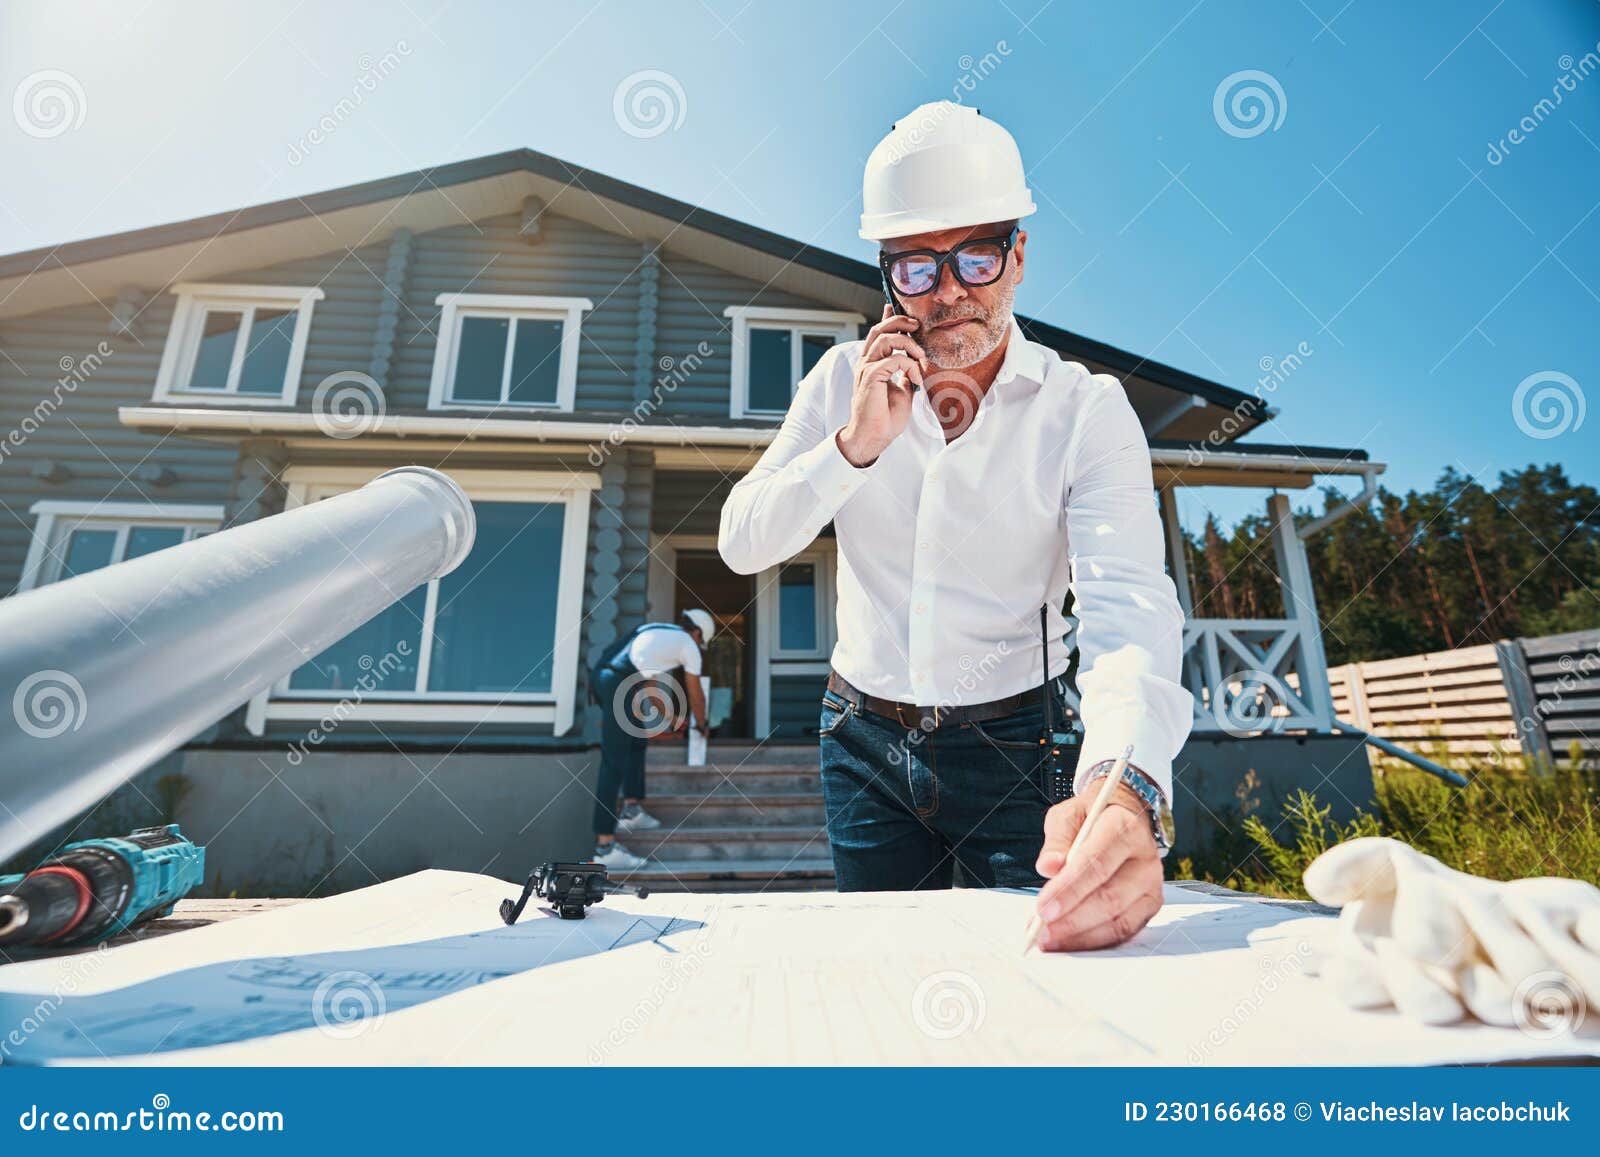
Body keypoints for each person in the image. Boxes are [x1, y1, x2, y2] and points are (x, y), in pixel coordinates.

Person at [718, 102, 1194, 949]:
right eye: (917, 266)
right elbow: (742, 539)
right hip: (861, 740)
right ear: (886, 275)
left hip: (1015, 743)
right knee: (884, 977)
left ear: (1019, 256)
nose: (949, 292)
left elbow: (1126, 610)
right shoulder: (839, 384)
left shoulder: (1086, 410)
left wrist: (1127, 782)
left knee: (1045, 971)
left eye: (976, 256)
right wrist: (855, 446)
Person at [589, 608, 714, 872]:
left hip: (611, 679)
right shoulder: (688, 645)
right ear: (699, 633)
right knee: (613, 762)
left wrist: (670, 719)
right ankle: (604, 847)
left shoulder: (661, 634)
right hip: (616, 683)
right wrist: (701, 724)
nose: (699, 647)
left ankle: (632, 809)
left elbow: (649, 688)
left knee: (636, 742)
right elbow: (696, 694)